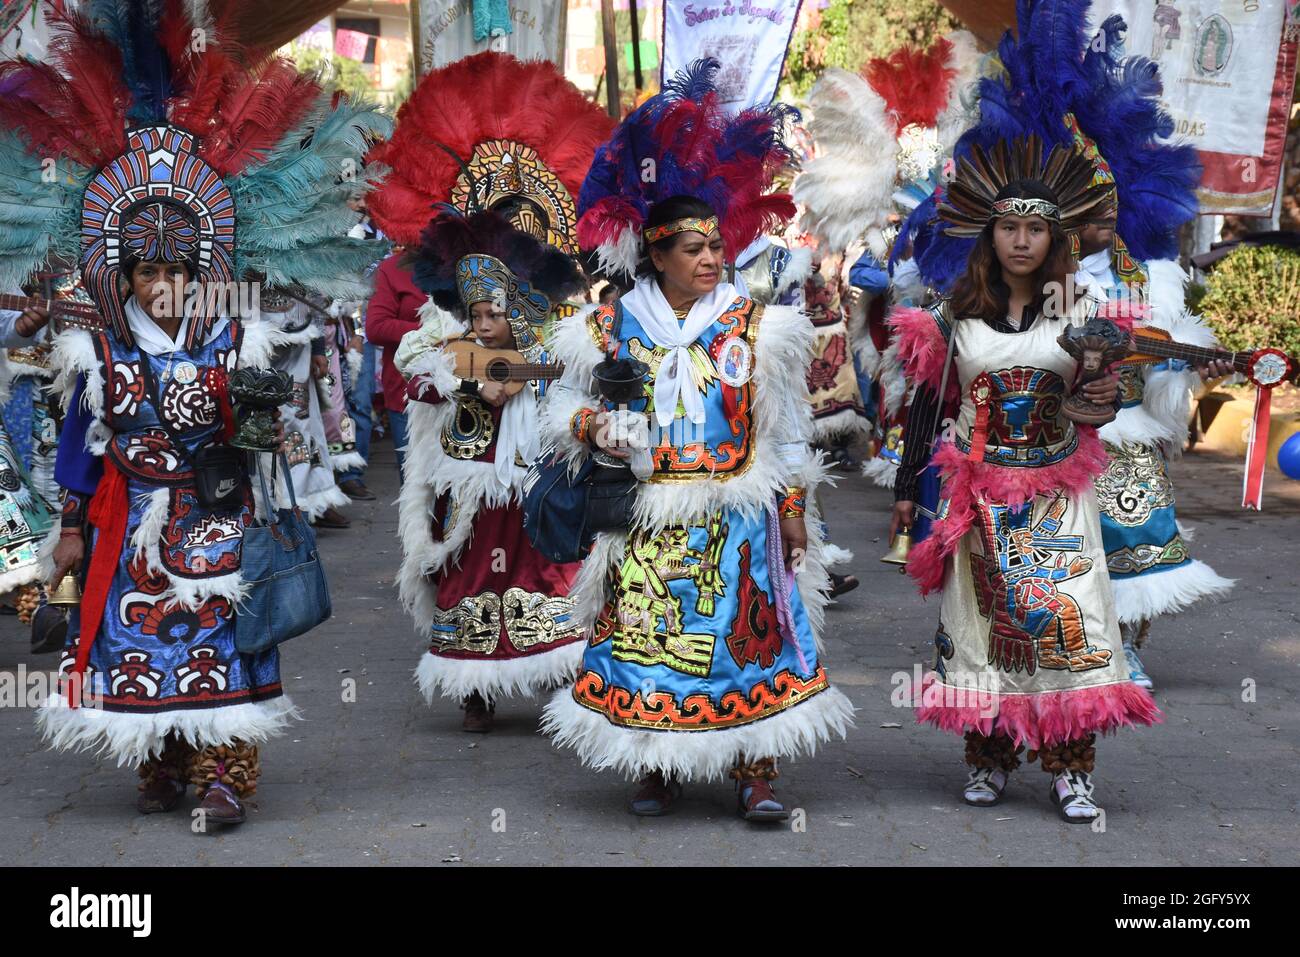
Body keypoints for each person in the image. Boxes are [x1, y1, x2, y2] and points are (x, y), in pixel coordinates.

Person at [0, 1, 389, 826]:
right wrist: (71, 525)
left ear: (201, 267)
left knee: (222, 644)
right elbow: (83, 448)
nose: (163, 284)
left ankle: (226, 777)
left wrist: (262, 429)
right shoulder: (96, 354)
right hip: (129, 516)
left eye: (178, 268)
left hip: (218, 513)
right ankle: (161, 763)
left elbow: (264, 439)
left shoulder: (236, 340)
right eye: (148, 271)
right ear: (127, 275)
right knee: (134, 644)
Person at [540, 62, 854, 821]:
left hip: (736, 515)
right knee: (652, 646)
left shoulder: (758, 327)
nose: (711, 258)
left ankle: (757, 772)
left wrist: (792, 507)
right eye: (692, 247)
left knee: (744, 642)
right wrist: (598, 427)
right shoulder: (606, 329)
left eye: (715, 244)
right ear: (655, 253)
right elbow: (559, 408)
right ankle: (659, 768)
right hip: (646, 515)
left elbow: (784, 429)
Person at [890, 137, 1160, 823]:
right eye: (1009, 226)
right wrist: (903, 490)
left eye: (1035, 228)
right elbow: (929, 401)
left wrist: (1104, 389)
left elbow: (1112, 390)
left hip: (1060, 496)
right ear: (990, 234)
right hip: (979, 499)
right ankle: (989, 757)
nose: (1020, 240)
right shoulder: (955, 312)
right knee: (986, 628)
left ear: (1054, 236)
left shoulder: (1082, 306)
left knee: (1070, 625)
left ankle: (1072, 770)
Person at [393, 211, 587, 731]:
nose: (482, 324)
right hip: (469, 496)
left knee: (546, 579)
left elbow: (561, 384)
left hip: (529, 492)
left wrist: (514, 375)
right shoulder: (451, 354)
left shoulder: (546, 356)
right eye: (475, 315)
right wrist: (466, 382)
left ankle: (556, 674)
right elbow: (419, 385)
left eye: (493, 315)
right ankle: (474, 691)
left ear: (515, 312)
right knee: (470, 582)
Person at [1074, 218, 1234, 689]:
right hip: (1047, 427)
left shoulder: (1145, 277)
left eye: (1110, 202)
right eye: (1089, 202)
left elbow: (1163, 364)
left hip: (1126, 430)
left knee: (1133, 529)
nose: (1103, 213)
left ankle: (1123, 647)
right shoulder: (1035, 273)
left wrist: (1194, 365)